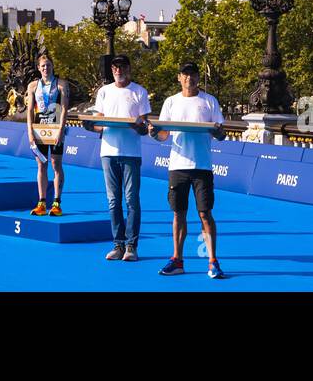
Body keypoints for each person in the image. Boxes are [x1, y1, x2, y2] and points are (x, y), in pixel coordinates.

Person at [151, 63, 226, 278]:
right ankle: (177, 260)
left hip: (202, 166)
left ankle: (212, 261)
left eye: (192, 74)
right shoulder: (171, 102)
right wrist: (153, 133)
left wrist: (220, 131)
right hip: (177, 166)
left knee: (205, 214)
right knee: (179, 213)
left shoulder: (209, 101)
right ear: (179, 78)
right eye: (185, 75)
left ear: (197, 77)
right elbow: (163, 135)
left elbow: (219, 134)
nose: (189, 78)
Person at [86, 55, 151, 262]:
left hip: (131, 153)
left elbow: (144, 128)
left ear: (128, 69)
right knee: (113, 201)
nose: (118, 70)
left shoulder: (139, 92)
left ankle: (132, 246)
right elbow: (98, 124)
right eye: (115, 67)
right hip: (108, 152)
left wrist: (136, 125)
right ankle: (118, 244)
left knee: (132, 200)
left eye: (121, 67)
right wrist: (89, 125)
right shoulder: (104, 92)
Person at [25, 51, 68, 216]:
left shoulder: (61, 84)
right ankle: (42, 202)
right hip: (39, 130)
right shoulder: (33, 86)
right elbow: (29, 110)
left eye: (48, 65)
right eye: (43, 66)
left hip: (55, 130)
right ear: (38, 68)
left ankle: (57, 202)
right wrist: (29, 132)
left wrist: (61, 130)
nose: (46, 68)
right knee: (41, 165)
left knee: (56, 164)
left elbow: (64, 109)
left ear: (52, 66)